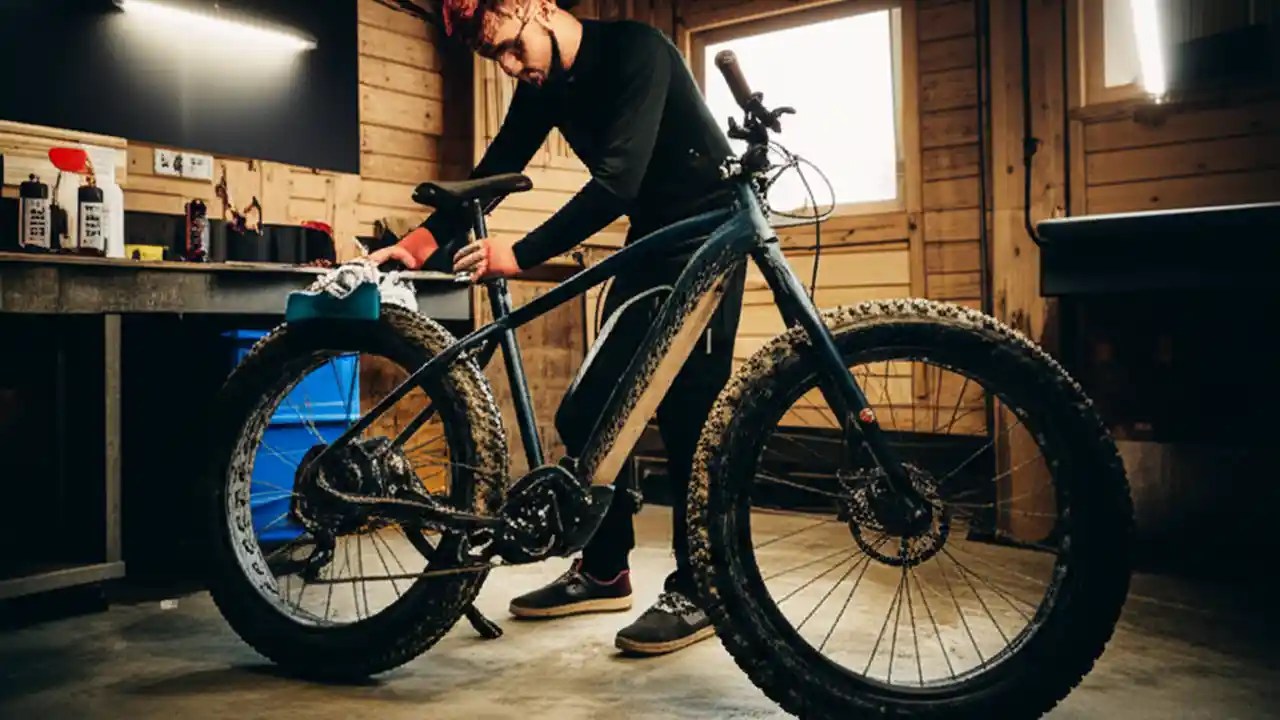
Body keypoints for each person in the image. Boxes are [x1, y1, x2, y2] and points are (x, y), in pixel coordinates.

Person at [369, 0, 746, 656]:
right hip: (653, 240)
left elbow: (616, 183)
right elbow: (498, 161)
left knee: (691, 417)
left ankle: (699, 588)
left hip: (710, 233)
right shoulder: (546, 84)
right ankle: (604, 571)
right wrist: (422, 242)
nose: (513, 67)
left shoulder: (640, 52)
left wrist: (519, 253)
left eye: (513, 47)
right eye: (496, 59)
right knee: (589, 414)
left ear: (537, 6)